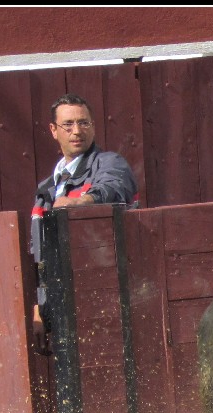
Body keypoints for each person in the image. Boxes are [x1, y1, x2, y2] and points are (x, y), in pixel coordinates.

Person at [30, 93, 139, 353]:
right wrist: (40, 308)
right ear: (53, 130)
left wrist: (80, 202)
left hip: (109, 294)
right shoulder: (46, 188)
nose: (77, 131)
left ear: (93, 127)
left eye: (84, 123)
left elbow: (114, 189)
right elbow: (40, 255)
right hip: (62, 302)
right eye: (68, 124)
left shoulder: (110, 163)